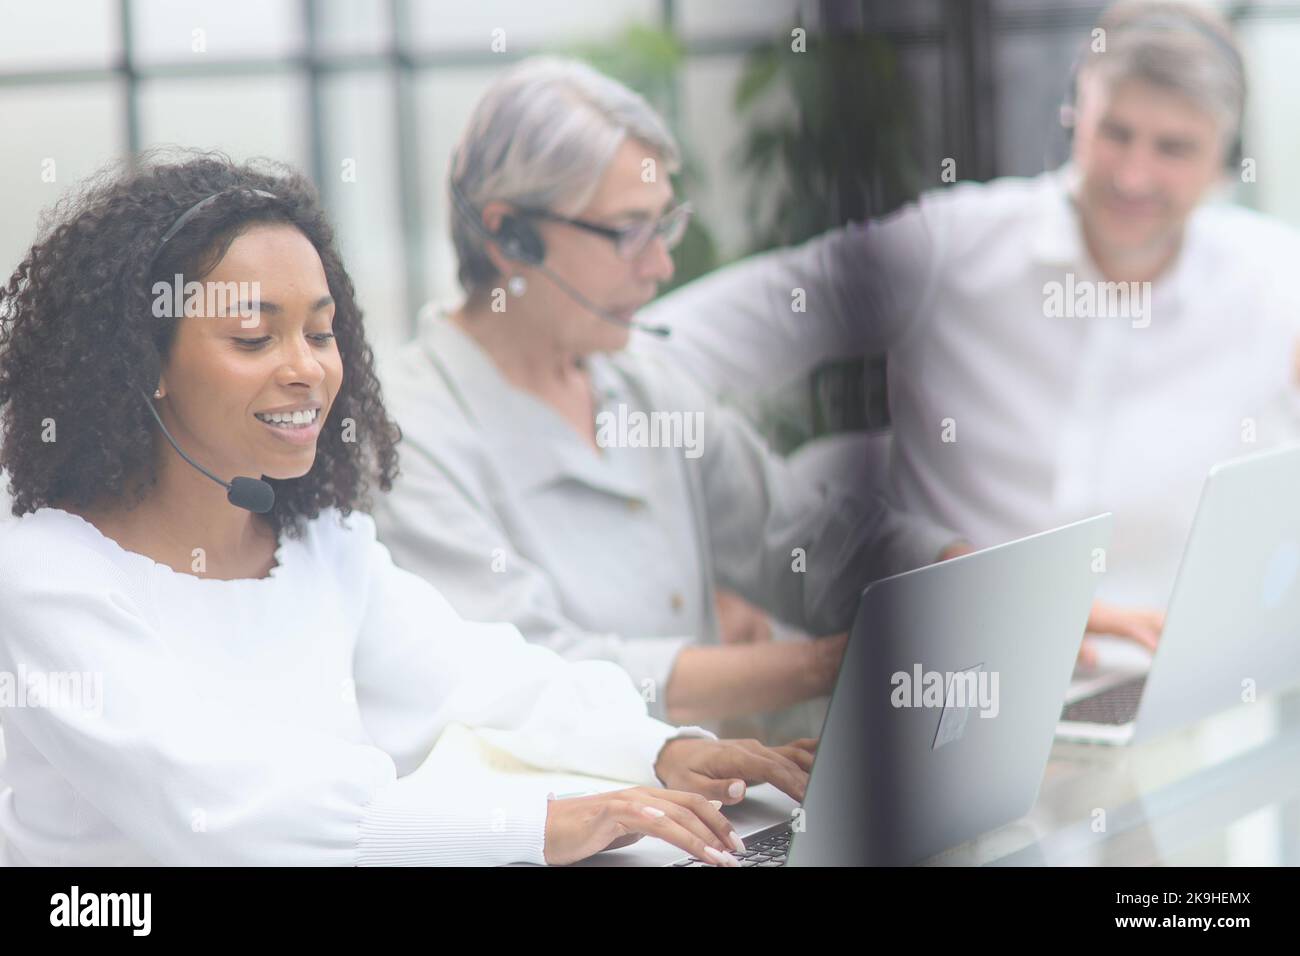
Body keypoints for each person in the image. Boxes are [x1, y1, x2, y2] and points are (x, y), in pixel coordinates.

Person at [0, 151, 818, 867]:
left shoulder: (321, 548)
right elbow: (221, 807)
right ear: (149, 365)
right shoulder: (46, 577)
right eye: (254, 338)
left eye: (321, 335)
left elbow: (486, 678)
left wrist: (659, 749)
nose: (308, 371)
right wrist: (532, 825)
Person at [638, 0, 1300, 668]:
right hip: (949, 677)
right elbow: (670, 346)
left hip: (1171, 702)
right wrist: (724, 552)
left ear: (1226, 155)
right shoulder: (955, 246)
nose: (1134, 175)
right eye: (1115, 133)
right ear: (1073, 114)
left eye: (1174, 149)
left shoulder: (1278, 282)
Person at [370, 57, 964, 737]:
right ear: (509, 236)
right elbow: (540, 671)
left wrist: (956, 573)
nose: (660, 266)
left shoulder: (640, 381)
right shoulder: (409, 434)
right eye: (628, 232)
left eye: (663, 225)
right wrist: (825, 664)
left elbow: (794, 533)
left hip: (719, 806)